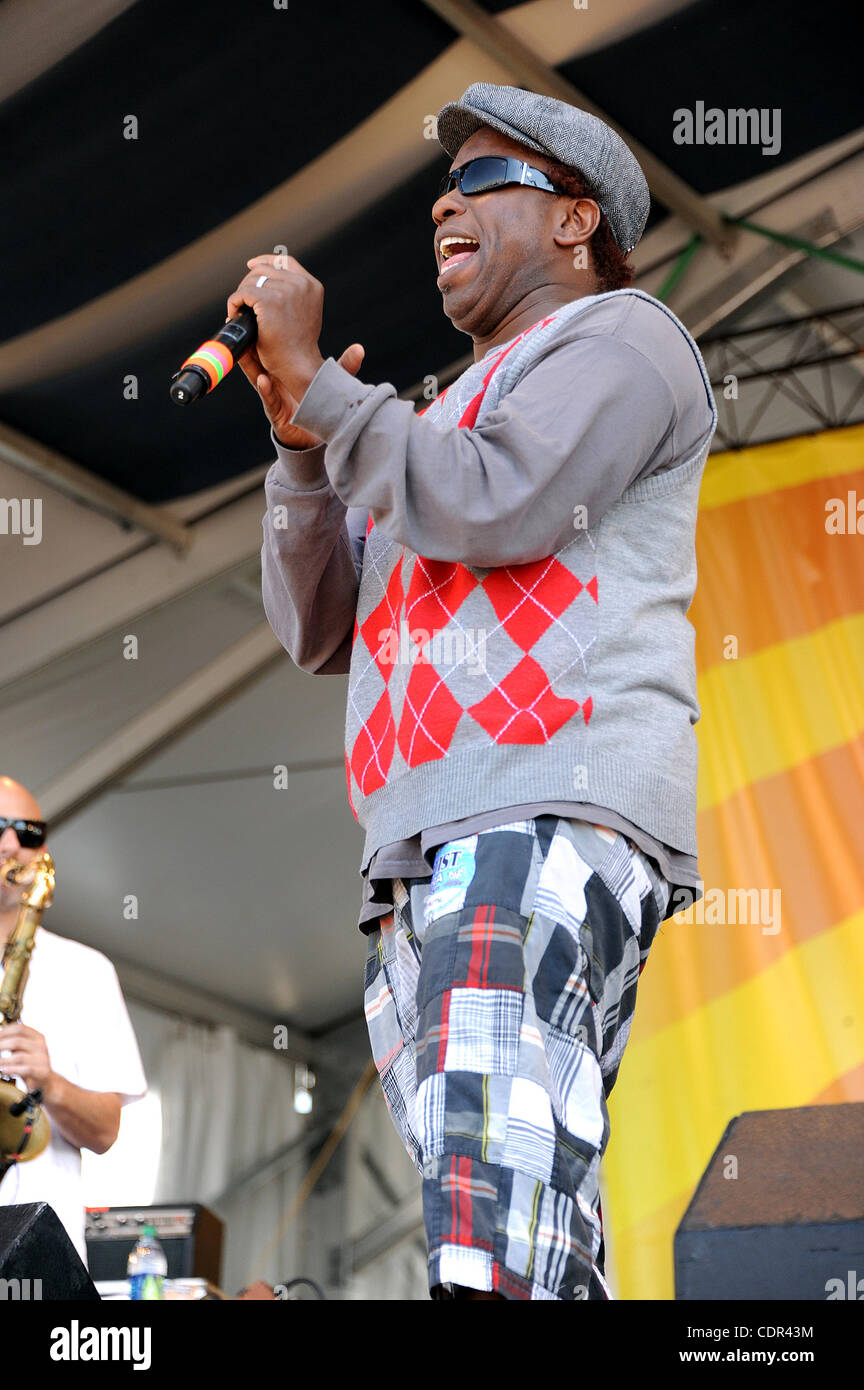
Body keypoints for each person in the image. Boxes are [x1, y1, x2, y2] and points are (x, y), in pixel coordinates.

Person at [238, 83, 717, 1300]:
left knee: (492, 1225)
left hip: (544, 812)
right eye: (443, 186)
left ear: (574, 221)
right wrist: (302, 442)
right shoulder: (429, 420)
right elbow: (318, 624)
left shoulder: (623, 340)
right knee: (512, 1206)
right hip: (415, 855)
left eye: (487, 179)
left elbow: (499, 501)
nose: (446, 198)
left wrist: (331, 395)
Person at [0, 776, 147, 1268]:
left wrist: (48, 1082)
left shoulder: (88, 971)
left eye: (29, 831)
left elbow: (105, 1133)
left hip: (46, 1257)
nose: (12, 844)